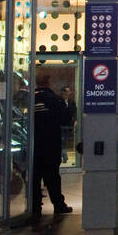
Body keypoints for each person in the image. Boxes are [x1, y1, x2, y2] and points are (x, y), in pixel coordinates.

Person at [31, 73, 72, 217]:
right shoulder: (55, 100)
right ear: (49, 82)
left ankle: (34, 206)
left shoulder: (30, 99)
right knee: (53, 176)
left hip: (32, 145)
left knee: (34, 176)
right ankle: (58, 204)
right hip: (51, 143)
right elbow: (66, 119)